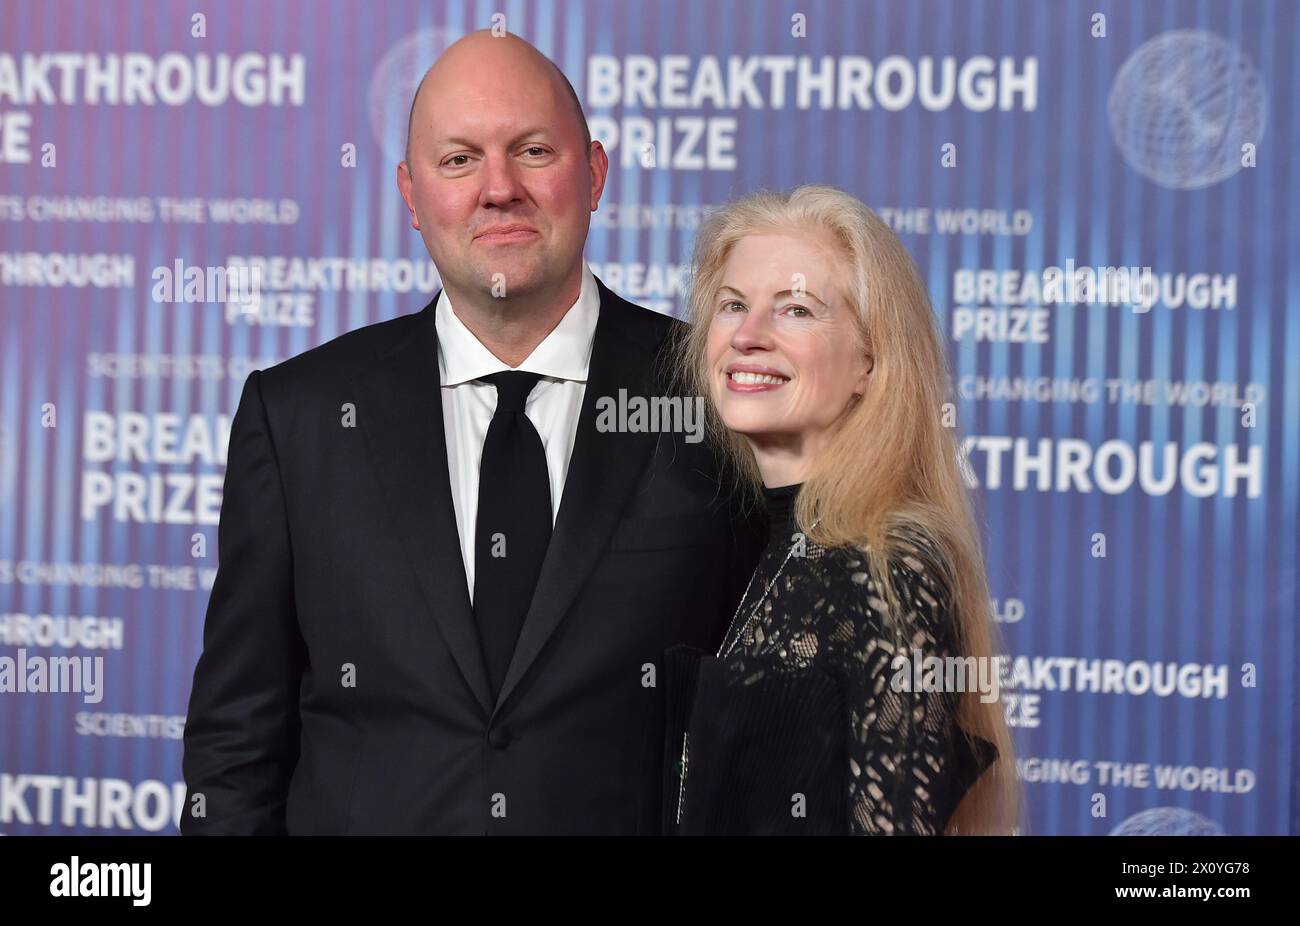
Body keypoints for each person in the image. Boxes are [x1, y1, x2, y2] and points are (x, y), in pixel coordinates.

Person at [180, 30, 763, 836]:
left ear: (594, 174)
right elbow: (235, 745)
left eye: (532, 151)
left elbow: (767, 734)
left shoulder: (714, 399)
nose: (499, 189)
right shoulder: (299, 418)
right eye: (458, 160)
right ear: (411, 195)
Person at [663, 185, 1022, 835]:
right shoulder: (754, 545)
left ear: (870, 361)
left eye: (795, 310)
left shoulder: (890, 565)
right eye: (733, 305)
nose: (748, 335)